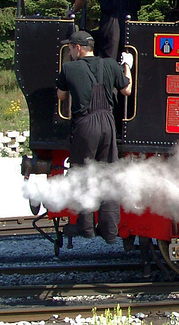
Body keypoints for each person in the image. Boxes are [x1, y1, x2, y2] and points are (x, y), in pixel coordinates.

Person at [56, 30, 133, 243]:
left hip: (85, 125)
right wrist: (127, 66)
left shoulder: (69, 68)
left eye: (70, 48)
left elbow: (61, 95)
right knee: (108, 175)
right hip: (107, 123)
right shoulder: (110, 65)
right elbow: (127, 90)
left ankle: (87, 228)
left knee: (83, 175)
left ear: (78, 48)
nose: (70, 52)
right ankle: (109, 232)